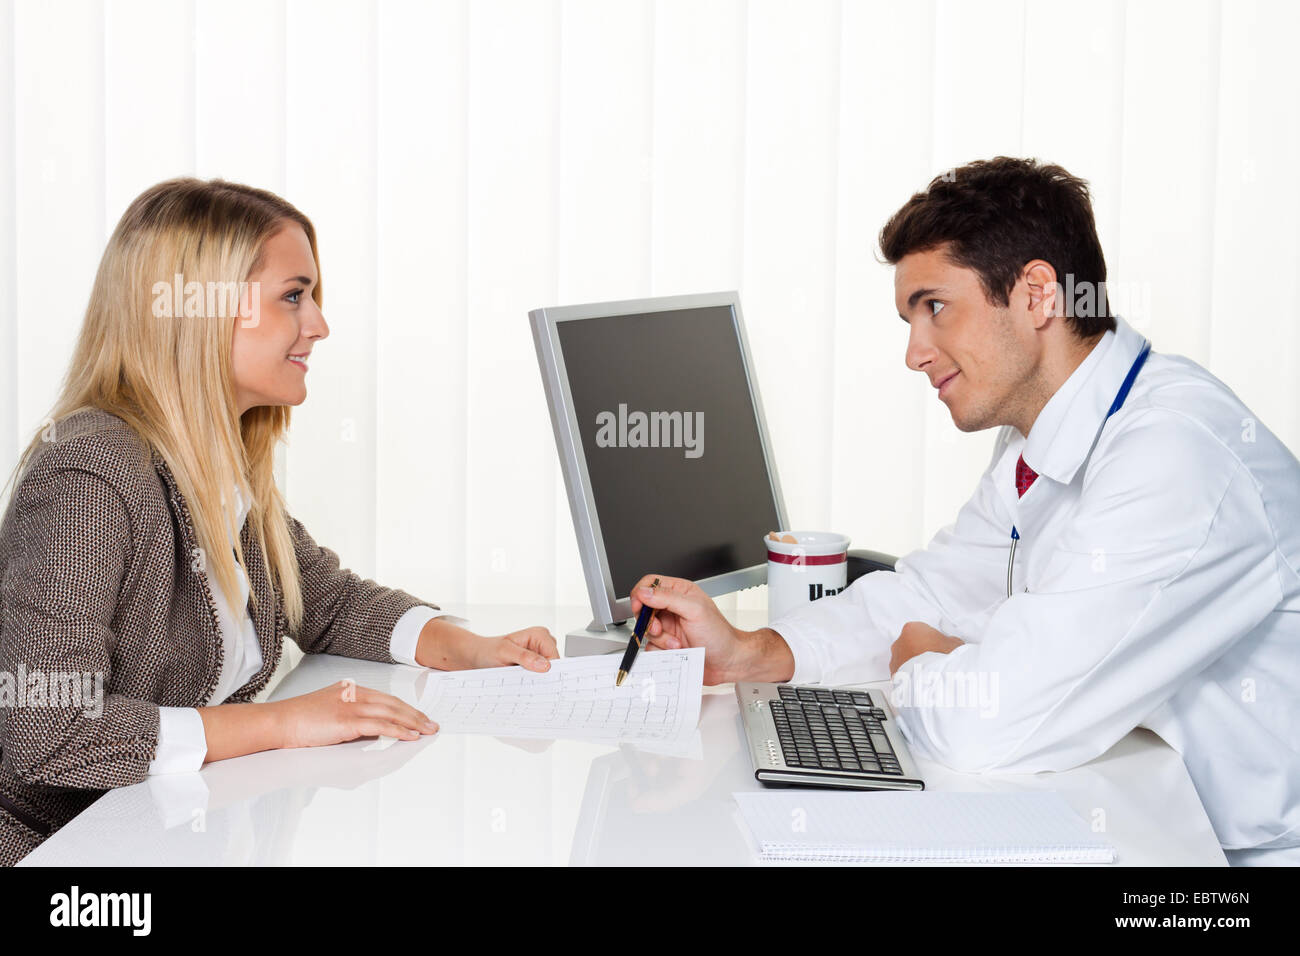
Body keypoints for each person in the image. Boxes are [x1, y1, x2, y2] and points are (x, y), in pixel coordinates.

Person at [628, 157, 1300, 862]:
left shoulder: (1174, 458)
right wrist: (749, 654)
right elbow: (931, 592)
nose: (915, 352)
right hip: (1159, 818)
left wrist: (927, 660)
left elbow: (990, 723)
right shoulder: (1045, 434)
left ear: (1038, 295)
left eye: (935, 307)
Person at [0, 178, 558, 865]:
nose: (319, 324)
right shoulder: (90, 475)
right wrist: (279, 723)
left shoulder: (218, 463)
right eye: (294, 297)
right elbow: (50, 730)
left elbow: (326, 601)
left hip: (154, 837)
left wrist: (467, 648)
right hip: (59, 858)